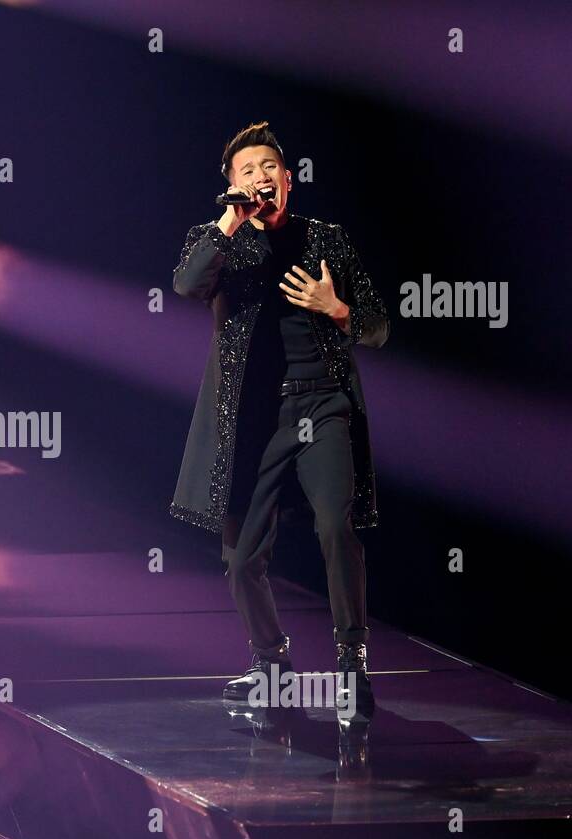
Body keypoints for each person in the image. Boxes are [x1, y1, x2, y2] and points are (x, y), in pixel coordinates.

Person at [170, 121, 389, 720]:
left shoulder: (326, 239)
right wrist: (229, 221)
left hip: (323, 404)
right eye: (248, 170)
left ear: (288, 179)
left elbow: (377, 326)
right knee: (241, 560)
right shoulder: (221, 241)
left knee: (335, 526)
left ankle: (352, 665)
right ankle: (270, 662)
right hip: (256, 417)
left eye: (269, 167)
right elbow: (187, 284)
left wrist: (337, 308)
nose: (260, 177)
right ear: (232, 184)